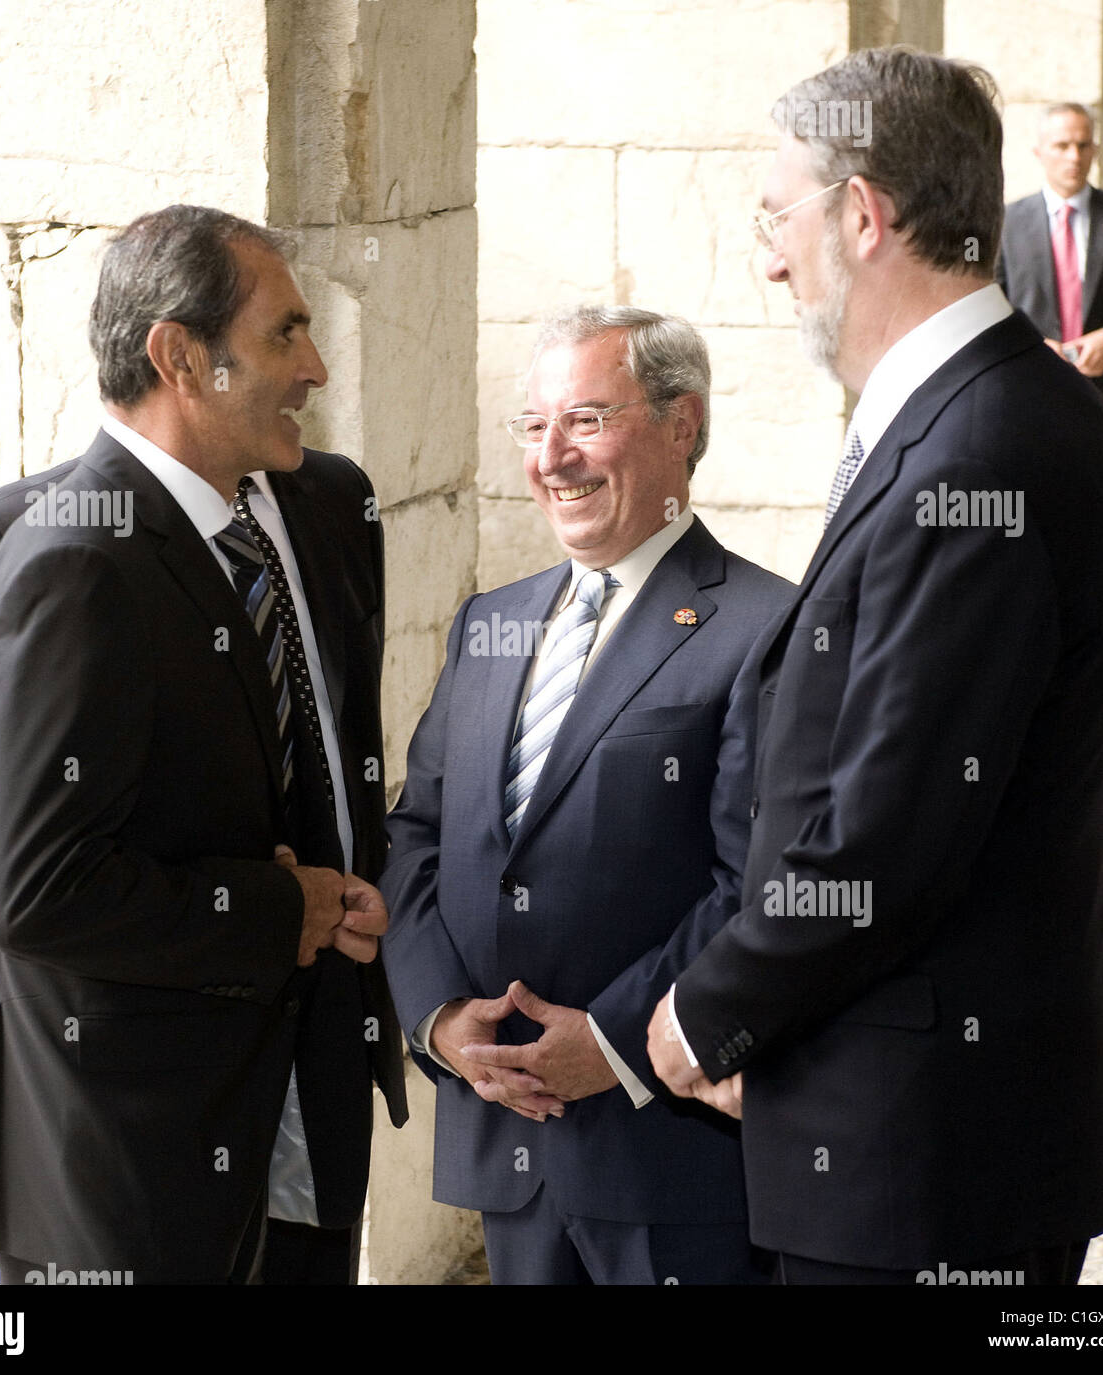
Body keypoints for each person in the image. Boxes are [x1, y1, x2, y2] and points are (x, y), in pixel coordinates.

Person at [648, 48, 1103, 1285]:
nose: (768, 258)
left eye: (777, 219)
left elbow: (887, 834)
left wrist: (700, 1014)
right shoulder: (1000, 415)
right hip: (935, 1137)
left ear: (864, 215)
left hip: (924, 1165)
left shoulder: (974, 455)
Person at [0, 204, 406, 1284]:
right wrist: (241, 926)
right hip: (120, 1143)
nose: (314, 364)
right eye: (282, 334)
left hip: (303, 1098)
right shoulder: (60, 556)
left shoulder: (333, 504)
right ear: (178, 354)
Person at [380, 305, 792, 1284]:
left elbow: (757, 885)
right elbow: (413, 837)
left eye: (587, 421)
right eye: (534, 427)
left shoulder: (768, 628)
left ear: (680, 425)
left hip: (671, 1160)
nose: (551, 459)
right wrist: (439, 1020)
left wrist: (611, 1044)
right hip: (504, 1151)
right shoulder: (490, 621)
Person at [996, 102, 1103, 449]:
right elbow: (991, 303)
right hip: (1031, 395)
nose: (1074, 156)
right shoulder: (1006, 222)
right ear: (1039, 152)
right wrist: (1029, 345)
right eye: (1062, 146)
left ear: (1095, 149)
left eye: (1083, 144)